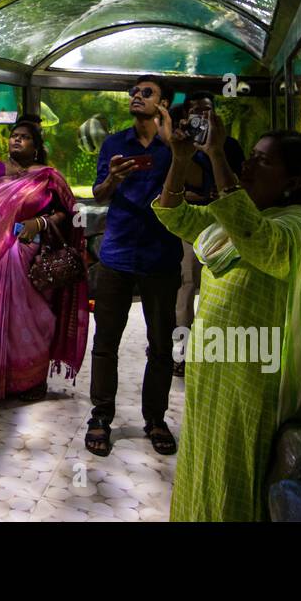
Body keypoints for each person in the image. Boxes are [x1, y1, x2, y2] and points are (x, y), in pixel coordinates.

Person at [153, 108, 301, 521]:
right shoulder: (237, 216)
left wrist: (218, 157)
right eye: (248, 154)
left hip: (252, 382)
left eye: (263, 160)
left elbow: (261, 243)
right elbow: (175, 215)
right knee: (202, 467)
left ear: (294, 183)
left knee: (234, 477)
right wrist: (180, 160)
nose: (247, 164)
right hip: (213, 371)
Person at [84, 76, 187, 458]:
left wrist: (172, 146)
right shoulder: (114, 144)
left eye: (147, 93)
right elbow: (98, 193)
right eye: (133, 92)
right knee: (106, 341)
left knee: (160, 344)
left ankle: (155, 418)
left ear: (163, 104)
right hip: (117, 254)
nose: (136, 97)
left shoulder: (174, 146)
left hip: (161, 256)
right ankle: (100, 416)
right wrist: (113, 177)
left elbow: (194, 187)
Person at [0, 111, 89, 402]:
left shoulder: (48, 176)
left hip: (30, 260)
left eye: (24, 138)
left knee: (34, 319)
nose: (16, 141)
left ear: (36, 146)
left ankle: (30, 382)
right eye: (14, 136)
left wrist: (39, 223)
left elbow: (67, 214)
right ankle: (0, 382)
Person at [172, 92, 245, 376]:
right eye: (197, 111)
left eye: (208, 110)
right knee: (188, 285)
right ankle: (184, 352)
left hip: (225, 225)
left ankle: (217, 352)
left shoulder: (230, 145)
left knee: (223, 287)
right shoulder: (182, 146)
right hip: (192, 224)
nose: (203, 116)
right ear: (187, 115)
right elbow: (169, 186)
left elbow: (241, 180)